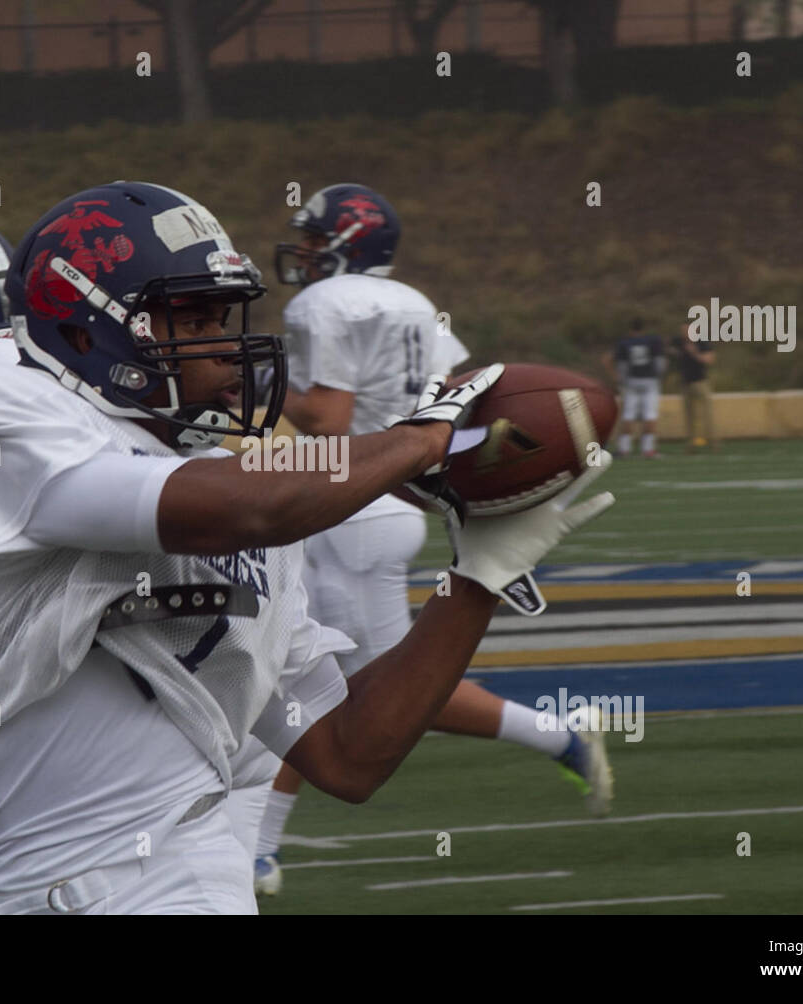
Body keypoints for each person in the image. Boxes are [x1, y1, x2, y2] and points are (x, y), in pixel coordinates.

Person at [0, 182, 616, 915]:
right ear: (82, 330)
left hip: (164, 884)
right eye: (190, 319)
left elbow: (348, 756)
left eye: (224, 315)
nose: (226, 349)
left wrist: (477, 580)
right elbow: (240, 506)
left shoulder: (254, 509)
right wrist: (424, 440)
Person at [245, 184, 615, 896]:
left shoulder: (324, 303)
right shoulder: (415, 302)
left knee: (339, 686)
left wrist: (258, 385)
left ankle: (258, 848)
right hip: (390, 499)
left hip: (350, 502)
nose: (307, 251)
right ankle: (558, 735)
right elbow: (451, 397)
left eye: (318, 238)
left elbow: (327, 420)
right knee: (328, 679)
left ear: (348, 242)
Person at [607, 317, 666, 458]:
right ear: (643, 329)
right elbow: (660, 363)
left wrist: (622, 380)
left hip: (632, 381)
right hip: (650, 381)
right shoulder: (653, 341)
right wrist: (658, 376)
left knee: (628, 415)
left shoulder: (624, 343)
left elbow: (622, 366)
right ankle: (648, 449)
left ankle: (624, 449)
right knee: (650, 415)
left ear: (630, 329)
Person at [671, 322, 716, 452]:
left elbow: (710, 360)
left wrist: (695, 353)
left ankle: (713, 442)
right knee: (689, 416)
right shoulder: (678, 342)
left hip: (700, 382)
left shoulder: (702, 342)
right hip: (685, 383)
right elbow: (669, 349)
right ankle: (691, 444)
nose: (685, 333)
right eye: (683, 330)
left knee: (708, 413)